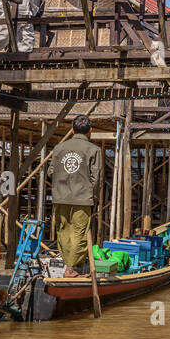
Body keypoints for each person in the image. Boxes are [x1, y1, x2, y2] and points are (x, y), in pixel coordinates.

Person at [48, 114, 102, 278]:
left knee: (63, 231)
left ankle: (70, 266)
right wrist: (92, 196)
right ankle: (70, 269)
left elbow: (51, 172)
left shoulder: (59, 148)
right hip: (82, 198)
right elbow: (96, 178)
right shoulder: (94, 150)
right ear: (90, 131)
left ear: (72, 130)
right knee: (79, 232)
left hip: (60, 197)